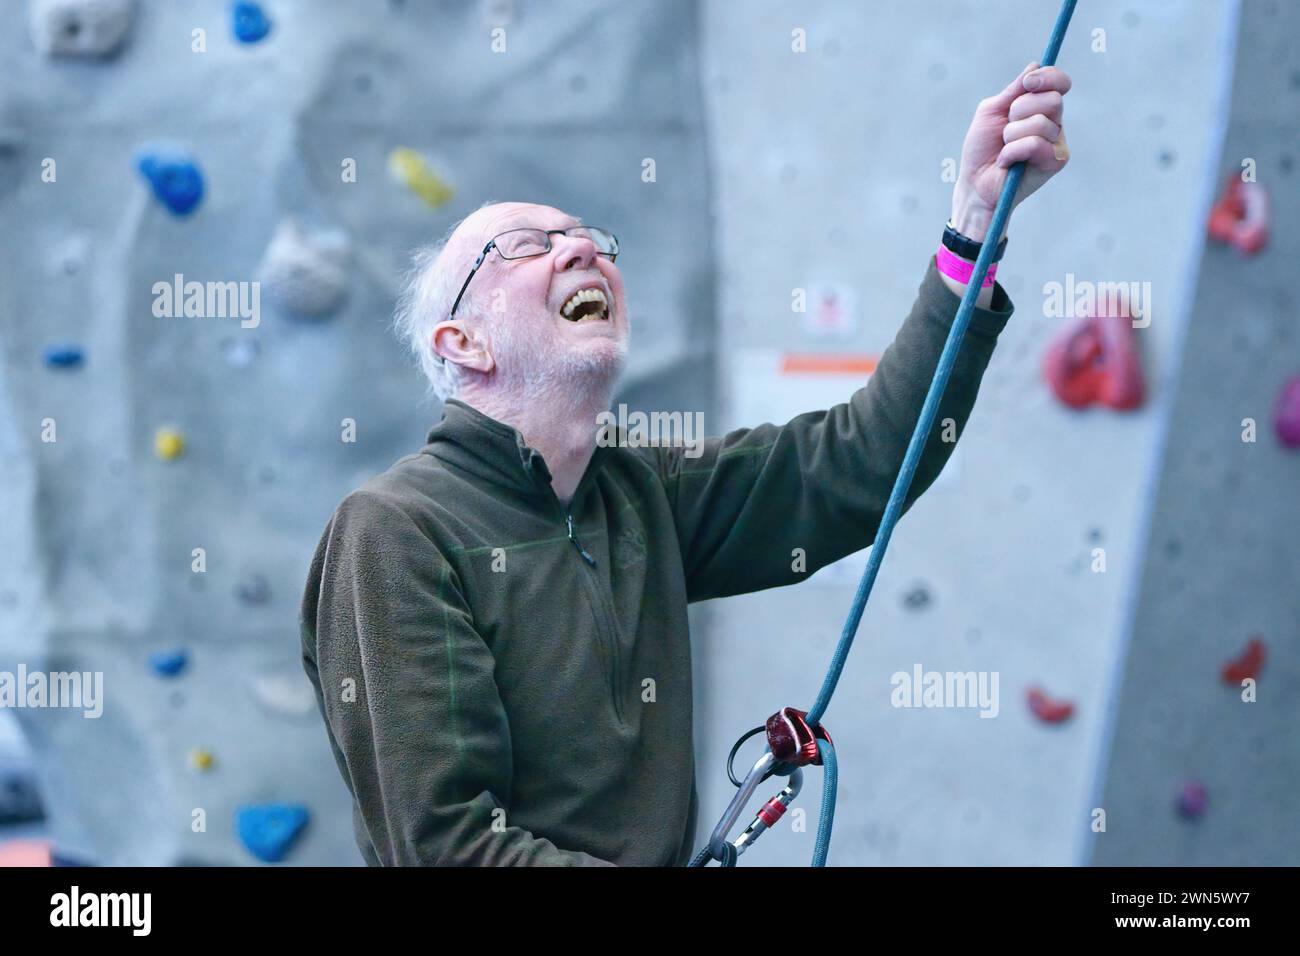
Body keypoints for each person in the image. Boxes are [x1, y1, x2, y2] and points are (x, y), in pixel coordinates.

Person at [299, 61, 1072, 865]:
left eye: (590, 241)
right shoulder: (393, 532)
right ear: (463, 342)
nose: (578, 252)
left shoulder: (639, 494)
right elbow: (448, 850)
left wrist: (972, 232)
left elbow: (866, 462)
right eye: (527, 246)